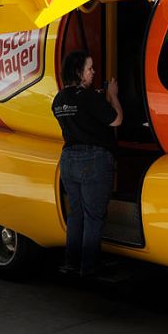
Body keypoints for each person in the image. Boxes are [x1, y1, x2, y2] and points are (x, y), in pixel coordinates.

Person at [51, 51, 123, 278]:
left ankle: (71, 263)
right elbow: (116, 119)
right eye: (89, 68)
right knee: (93, 216)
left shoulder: (59, 99)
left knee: (76, 214)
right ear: (78, 72)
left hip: (68, 160)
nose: (93, 72)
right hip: (93, 160)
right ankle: (89, 267)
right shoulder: (89, 97)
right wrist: (113, 95)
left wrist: (98, 99)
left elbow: (80, 116)